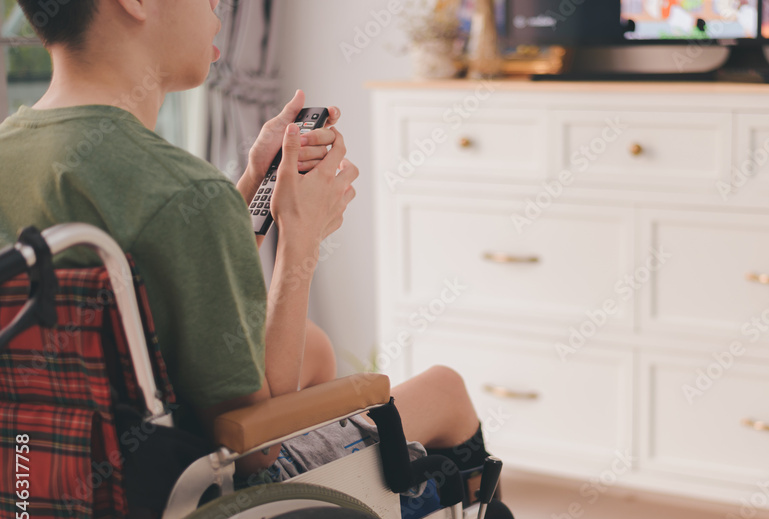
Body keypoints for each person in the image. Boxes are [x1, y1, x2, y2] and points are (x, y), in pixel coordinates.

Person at [0, 0, 488, 484]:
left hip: (65, 483)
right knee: (445, 390)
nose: (220, 7)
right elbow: (256, 448)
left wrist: (257, 178)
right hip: (204, 502)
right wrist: (302, 241)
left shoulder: (13, 151)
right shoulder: (181, 189)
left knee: (313, 348)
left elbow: (175, 262)